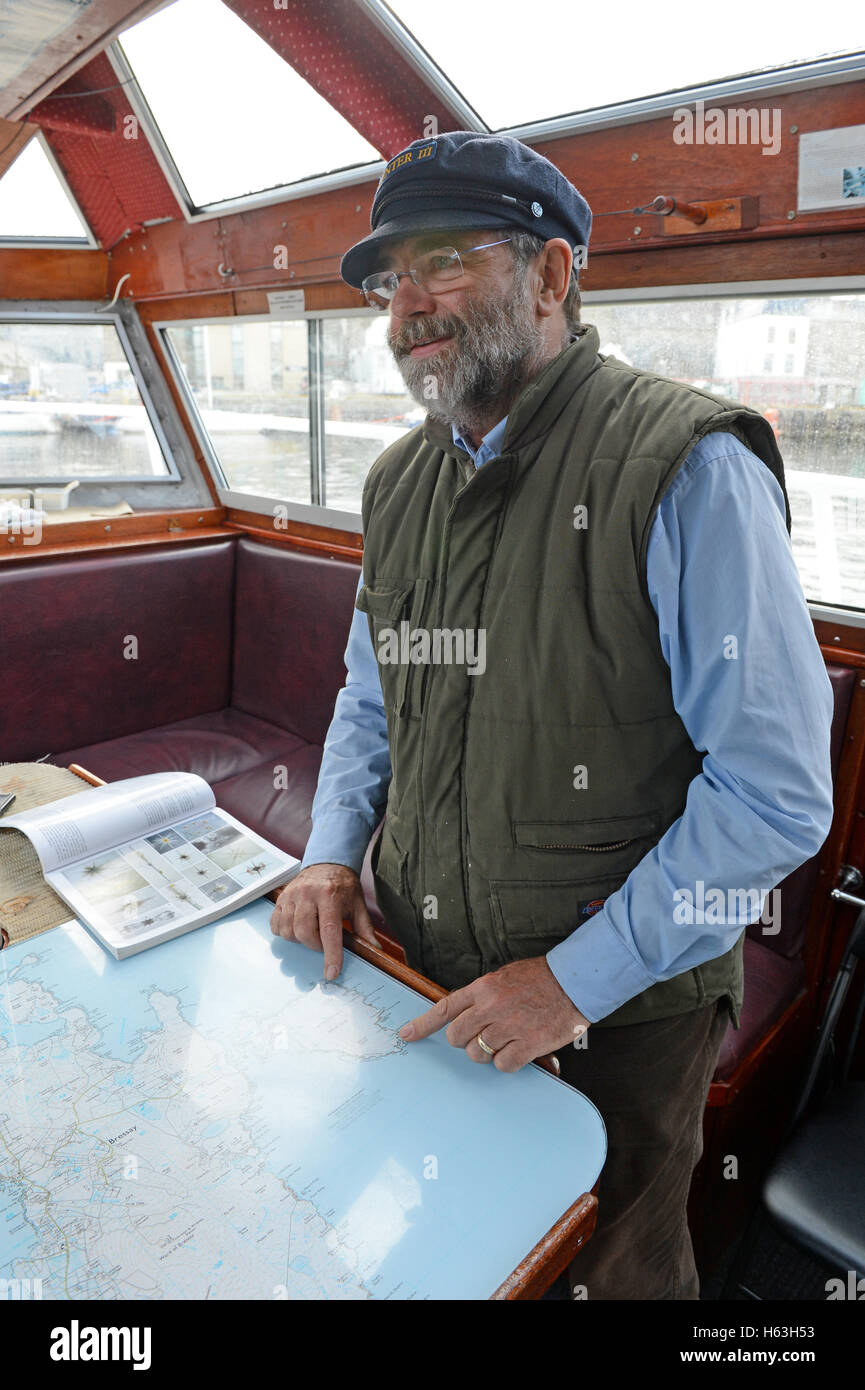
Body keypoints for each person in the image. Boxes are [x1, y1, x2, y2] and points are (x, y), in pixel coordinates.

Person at [270, 131, 835, 1300]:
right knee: (460, 1242)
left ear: (552, 275)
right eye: (389, 281)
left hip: (619, 1015)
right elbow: (371, 700)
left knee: (609, 1269)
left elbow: (776, 796)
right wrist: (329, 853)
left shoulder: (686, 465)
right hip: (420, 967)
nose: (407, 307)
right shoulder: (398, 482)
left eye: (442, 263)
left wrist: (573, 981)